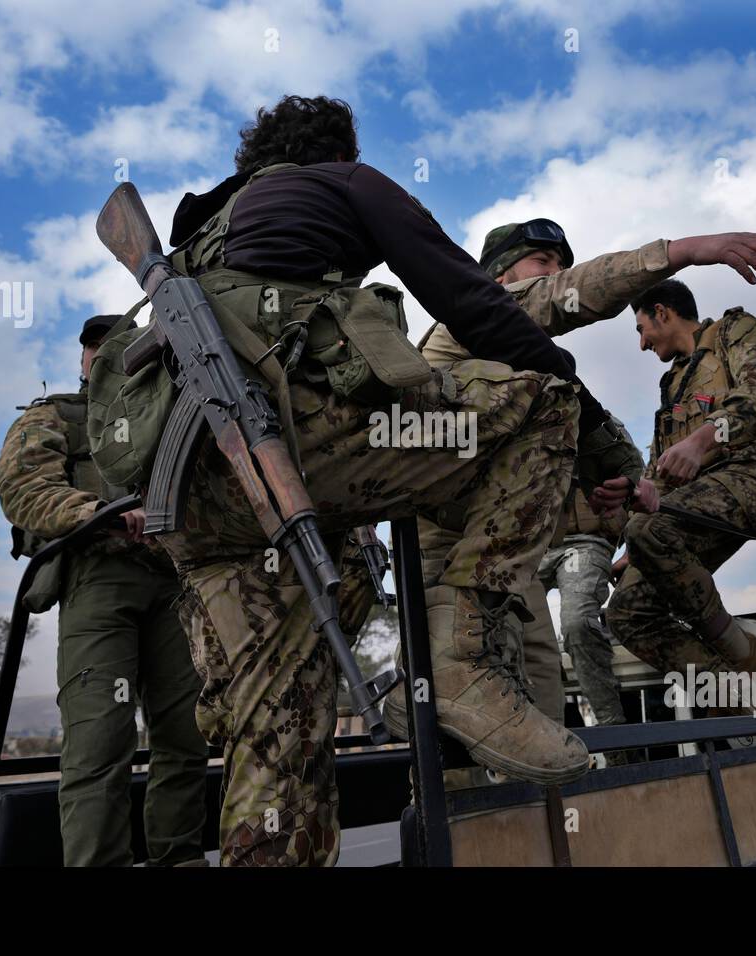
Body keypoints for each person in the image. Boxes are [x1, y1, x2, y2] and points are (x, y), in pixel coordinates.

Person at [120, 95, 610, 865]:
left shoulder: (200, 230)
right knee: (546, 405)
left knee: (279, 741)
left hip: (190, 500)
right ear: (337, 148)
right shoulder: (343, 181)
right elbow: (470, 301)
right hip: (283, 447)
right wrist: (602, 436)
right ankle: (459, 656)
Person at [402, 220, 756, 736]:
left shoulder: (545, 364)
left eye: (560, 265)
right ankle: (741, 703)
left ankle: (746, 684)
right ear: (498, 277)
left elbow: (605, 439)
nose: (557, 273)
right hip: (450, 547)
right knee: (620, 616)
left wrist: (631, 487)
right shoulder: (468, 320)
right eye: (543, 263)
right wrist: (683, 251)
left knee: (541, 664)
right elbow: (569, 296)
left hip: (513, 551)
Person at [0, 315, 209, 866]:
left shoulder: (168, 412)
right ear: (84, 359)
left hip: (176, 586)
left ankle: (179, 858)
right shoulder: (57, 414)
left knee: (186, 740)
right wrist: (99, 514)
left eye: (123, 349)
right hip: (98, 579)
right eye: (98, 349)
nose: (106, 358)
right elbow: (23, 485)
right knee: (98, 745)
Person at [603, 278, 756, 713]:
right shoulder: (673, 383)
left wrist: (702, 441)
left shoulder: (737, 329)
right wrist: (632, 548)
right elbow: (660, 472)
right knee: (626, 614)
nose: (642, 344)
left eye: (641, 329)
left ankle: (742, 652)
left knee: (651, 527)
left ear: (663, 313)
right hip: (700, 503)